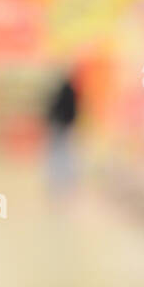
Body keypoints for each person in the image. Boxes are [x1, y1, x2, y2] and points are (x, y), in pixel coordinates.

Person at [45, 63, 80, 193]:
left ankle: (62, 178)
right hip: (64, 125)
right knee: (63, 153)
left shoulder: (65, 90)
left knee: (61, 153)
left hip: (61, 125)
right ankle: (63, 179)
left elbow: (60, 108)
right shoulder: (70, 90)